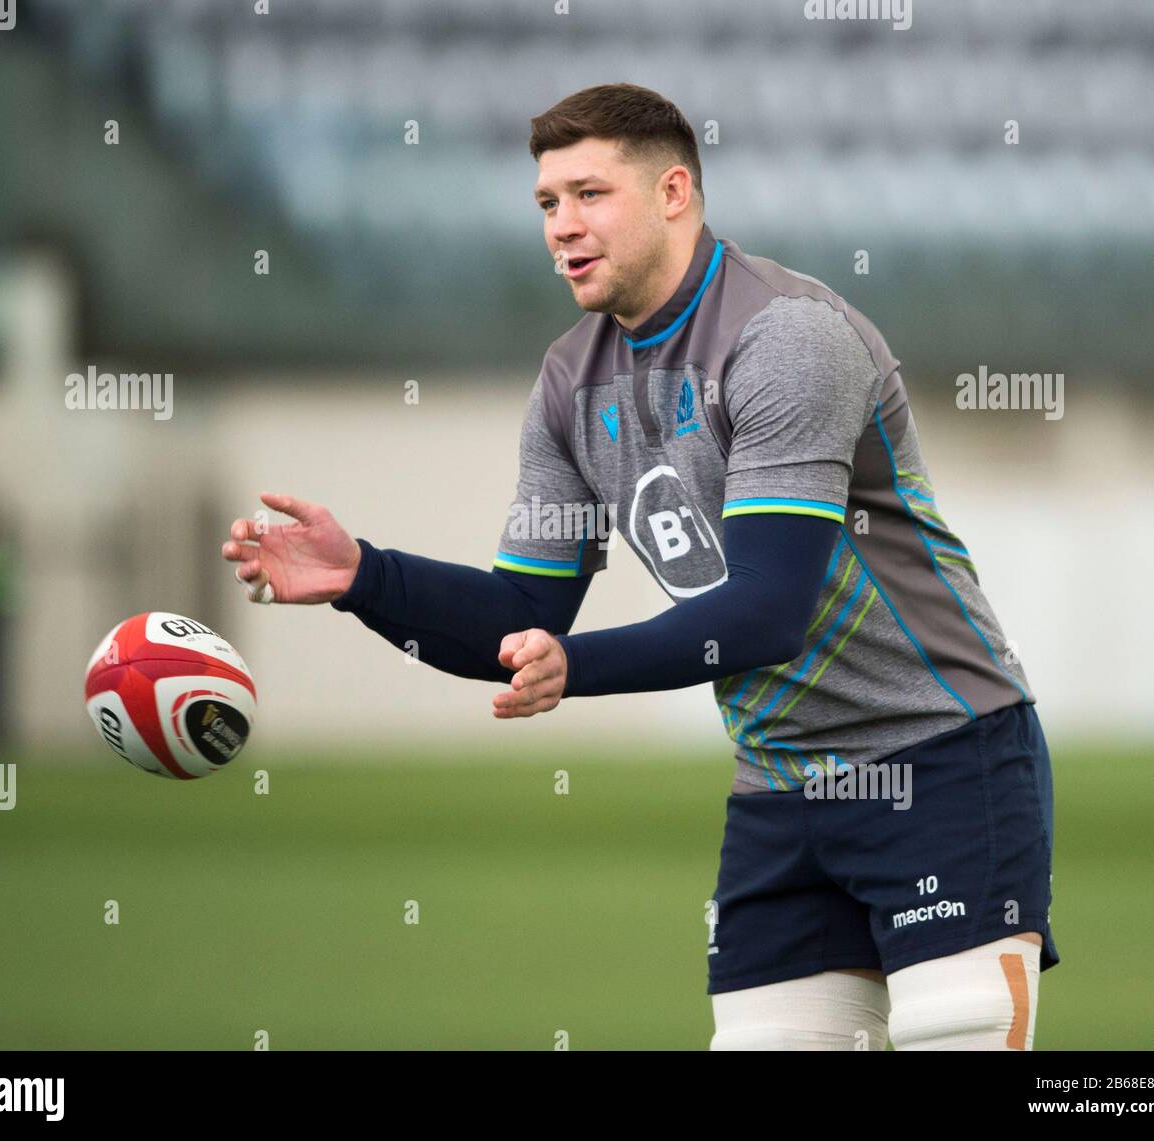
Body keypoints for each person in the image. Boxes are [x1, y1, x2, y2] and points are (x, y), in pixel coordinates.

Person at [221, 82, 1058, 1051]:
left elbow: (766, 611)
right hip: (779, 787)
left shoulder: (786, 337)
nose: (561, 226)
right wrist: (362, 577)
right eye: (547, 202)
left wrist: (573, 667)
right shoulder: (568, 382)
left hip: (940, 759)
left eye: (589, 194)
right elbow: (519, 615)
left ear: (673, 193)